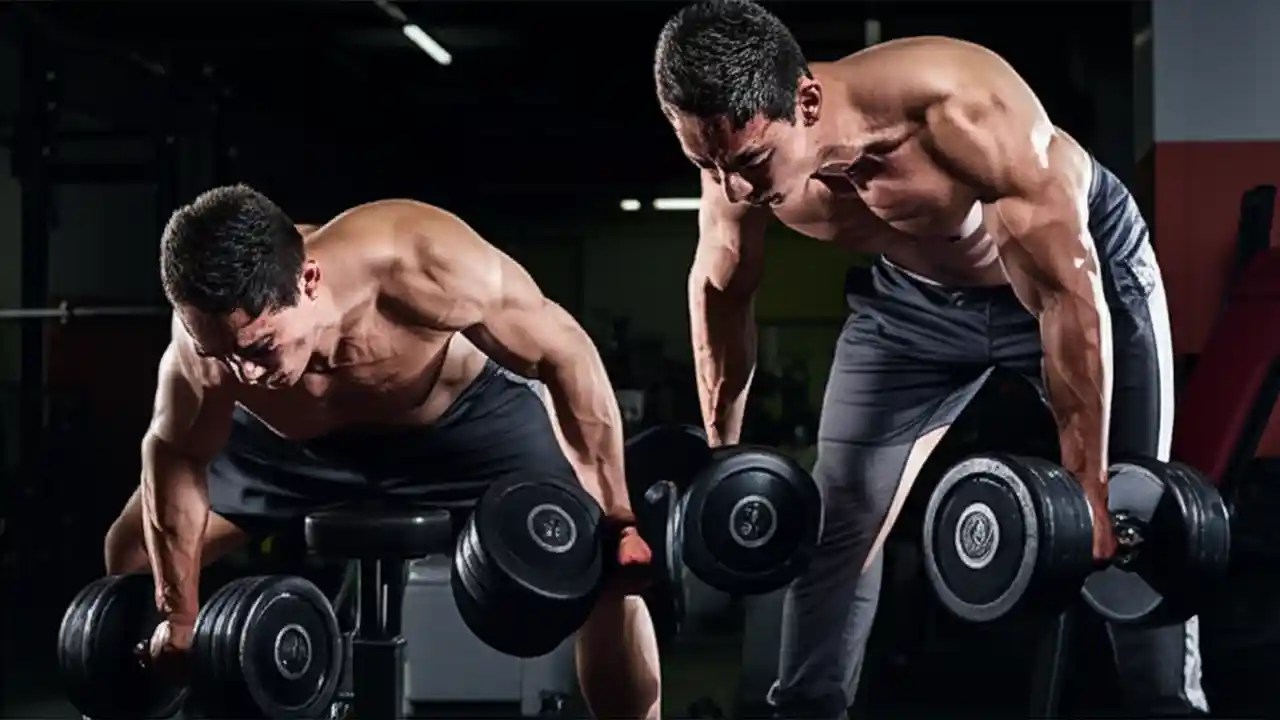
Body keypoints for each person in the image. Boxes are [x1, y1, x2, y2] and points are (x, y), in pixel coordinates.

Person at [652, 2, 1204, 718]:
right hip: (910, 308)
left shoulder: (959, 106)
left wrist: (1090, 485)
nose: (732, 190)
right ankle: (806, 707)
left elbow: (1069, 292)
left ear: (807, 100)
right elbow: (722, 291)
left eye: (751, 163)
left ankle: (1168, 708)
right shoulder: (735, 153)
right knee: (839, 514)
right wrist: (723, 456)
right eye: (708, 164)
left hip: (1076, 274)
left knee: (1136, 511)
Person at [103, 185, 661, 720]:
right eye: (219, 353)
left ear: (310, 279)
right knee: (129, 552)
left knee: (600, 559)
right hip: (292, 451)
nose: (244, 372)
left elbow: (563, 352)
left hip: (463, 434)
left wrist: (617, 512)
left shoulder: (418, 261)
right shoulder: (203, 343)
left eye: (261, 347)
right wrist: (178, 616)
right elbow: (175, 453)